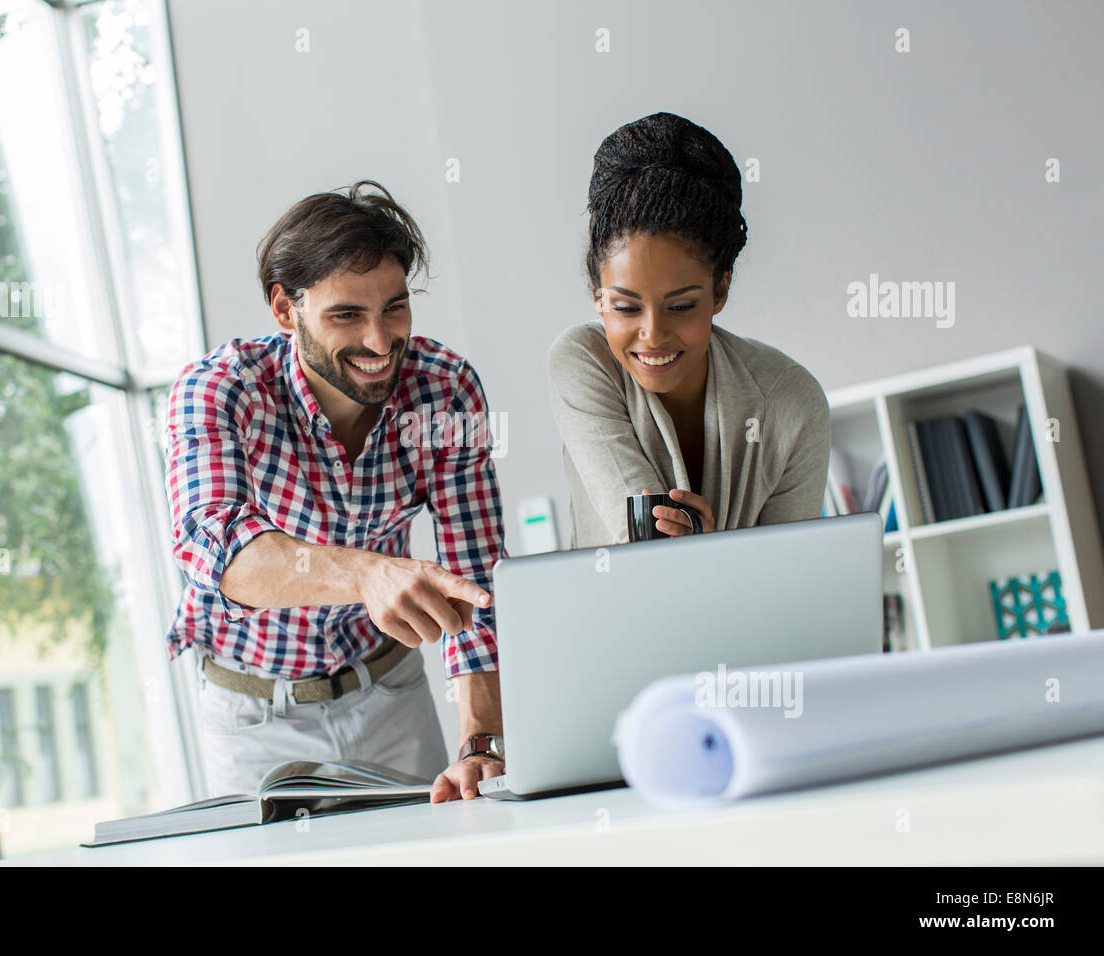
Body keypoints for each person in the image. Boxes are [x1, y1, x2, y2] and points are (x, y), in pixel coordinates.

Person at [165, 181, 507, 803]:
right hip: (251, 716)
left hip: (390, 696)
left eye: (395, 308)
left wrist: (481, 744)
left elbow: (475, 579)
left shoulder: (444, 391)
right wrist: (369, 575)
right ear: (284, 308)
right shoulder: (220, 389)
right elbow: (219, 553)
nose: (380, 344)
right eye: (347, 315)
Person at [547, 112, 831, 548]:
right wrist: (711, 552)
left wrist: (708, 555)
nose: (654, 334)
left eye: (681, 306)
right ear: (596, 292)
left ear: (721, 288)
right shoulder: (583, 360)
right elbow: (642, 535)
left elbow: (793, 580)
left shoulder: (791, 403)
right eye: (625, 306)